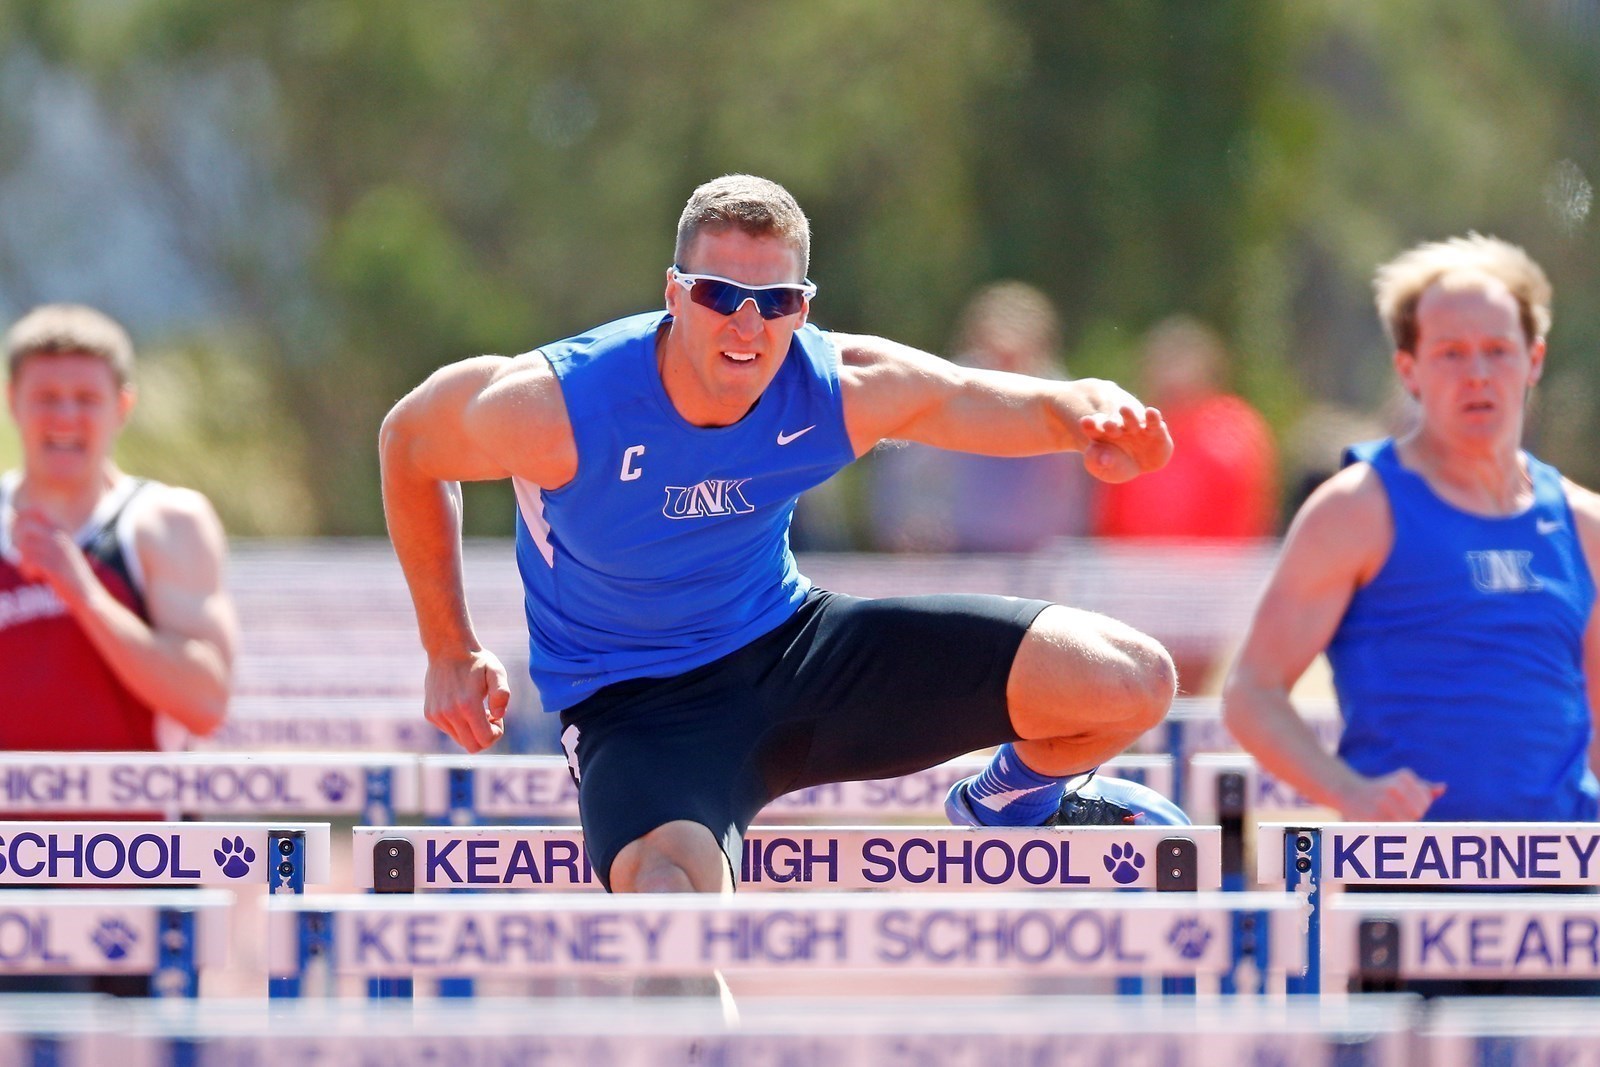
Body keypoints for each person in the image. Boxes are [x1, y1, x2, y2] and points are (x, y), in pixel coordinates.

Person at [380, 174, 1186, 897]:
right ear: (673, 294)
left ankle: (1010, 800)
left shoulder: (836, 386)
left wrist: (1099, 414)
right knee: (668, 903)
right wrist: (448, 647)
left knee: (1132, 679)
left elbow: (990, 399)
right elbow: (408, 444)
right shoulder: (557, 407)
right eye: (719, 294)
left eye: (774, 302)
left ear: (802, 307)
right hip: (636, 701)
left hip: (794, 651)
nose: (747, 324)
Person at [1222, 235, 1600, 993]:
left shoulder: (1584, 524)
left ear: (1533, 360)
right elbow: (1251, 692)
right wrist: (1349, 792)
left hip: (1564, 882)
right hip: (1412, 881)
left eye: (1497, 350)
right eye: (1451, 352)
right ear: (1409, 370)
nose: (1478, 373)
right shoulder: (1357, 509)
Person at [1, 304, 236, 752]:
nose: (65, 417)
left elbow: (206, 705)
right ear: (13, 400)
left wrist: (83, 593)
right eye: (47, 397)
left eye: (86, 398)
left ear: (123, 405)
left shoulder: (168, 522)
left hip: (138, 801)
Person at [867, 281, 1097, 553]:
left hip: (1041, 551)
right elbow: (909, 466)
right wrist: (903, 523)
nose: (1006, 361)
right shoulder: (947, 389)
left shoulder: (1064, 397)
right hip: (961, 547)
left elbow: (1078, 484)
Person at [1093, 316, 1277, 541]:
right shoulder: (1130, 425)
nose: (1172, 374)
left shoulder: (1236, 425)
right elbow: (1111, 508)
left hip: (1218, 558)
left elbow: (1254, 504)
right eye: (1164, 362)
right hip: (1135, 558)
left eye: (1180, 361)